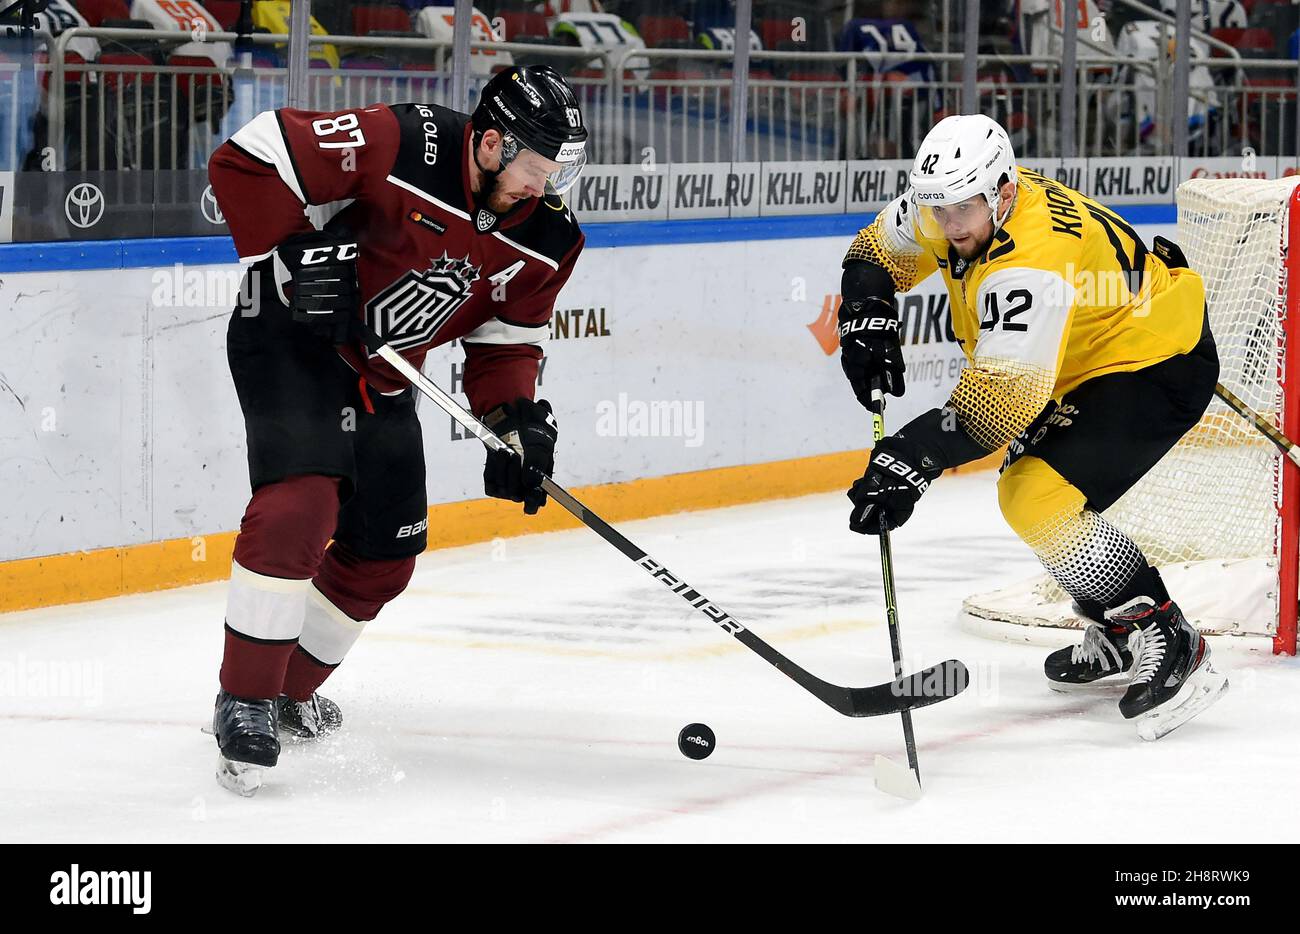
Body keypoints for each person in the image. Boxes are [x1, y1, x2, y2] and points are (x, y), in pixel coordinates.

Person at [205, 64, 588, 794]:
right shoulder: (403, 141)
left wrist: (515, 424)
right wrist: (287, 255)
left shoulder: (549, 239)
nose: (546, 186)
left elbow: (506, 342)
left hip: (384, 375)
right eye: (537, 167)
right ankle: (245, 697)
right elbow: (252, 156)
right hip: (293, 340)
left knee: (386, 554)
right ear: (489, 145)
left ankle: (288, 691)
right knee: (301, 503)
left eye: (557, 171)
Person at [837, 113, 1227, 739]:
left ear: (1003, 192)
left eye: (964, 208)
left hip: (1156, 359)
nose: (950, 225)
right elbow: (875, 252)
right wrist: (866, 313)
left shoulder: (1033, 260)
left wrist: (911, 456)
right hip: (1084, 357)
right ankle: (1122, 633)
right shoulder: (951, 201)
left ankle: (1168, 637)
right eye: (937, 209)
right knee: (1028, 495)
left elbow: (1001, 404)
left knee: (1036, 494)